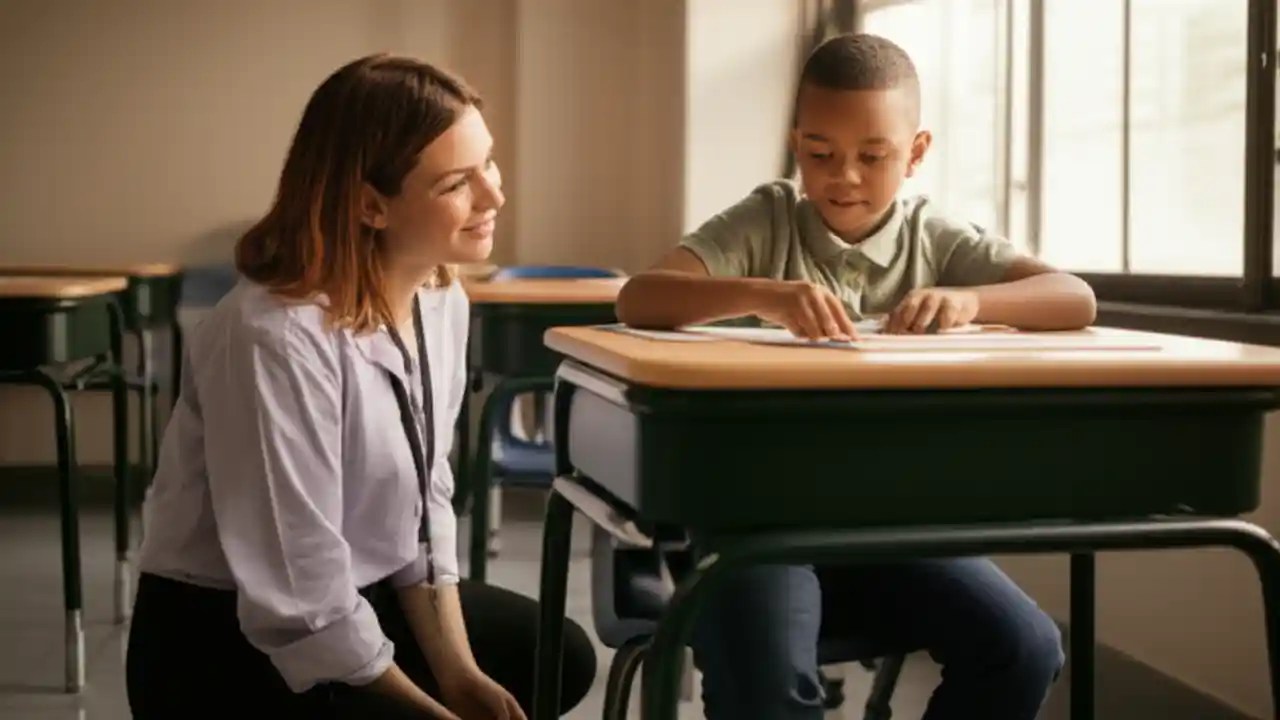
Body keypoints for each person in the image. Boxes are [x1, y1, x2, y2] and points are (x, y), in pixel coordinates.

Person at [616, 34, 1095, 720]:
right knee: (769, 688)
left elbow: (1074, 297)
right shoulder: (768, 219)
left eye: (873, 157)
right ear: (796, 144)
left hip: (892, 533)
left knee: (1025, 647)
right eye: (819, 154)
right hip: (759, 530)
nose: (843, 177)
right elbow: (641, 297)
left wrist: (972, 300)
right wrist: (764, 294)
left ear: (917, 152)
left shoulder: (935, 238)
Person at [125, 54, 596, 719]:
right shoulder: (274, 337)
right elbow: (298, 587)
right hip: (225, 636)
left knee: (554, 659)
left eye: (489, 163)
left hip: (356, 594)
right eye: (458, 182)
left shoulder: (441, 298)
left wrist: (458, 674)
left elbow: (425, 500)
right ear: (371, 205)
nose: (494, 196)